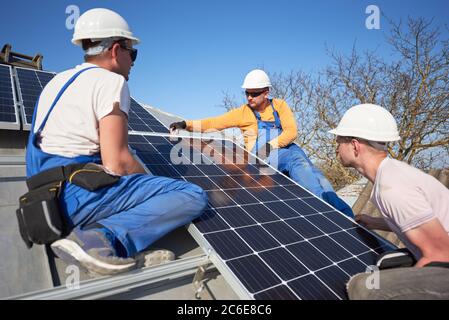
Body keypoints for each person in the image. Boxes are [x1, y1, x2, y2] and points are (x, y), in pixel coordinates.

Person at [25, 8, 208, 275]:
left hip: (42, 204)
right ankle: (99, 239)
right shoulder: (111, 81)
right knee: (192, 195)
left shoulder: (55, 82)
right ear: (115, 50)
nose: (133, 61)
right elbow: (118, 163)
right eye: (132, 53)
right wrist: (148, 183)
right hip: (75, 200)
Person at [170, 69, 353, 217]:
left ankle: (350, 220)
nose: (249, 97)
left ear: (266, 93)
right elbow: (214, 123)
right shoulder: (242, 112)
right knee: (298, 162)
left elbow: (291, 132)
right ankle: (323, 209)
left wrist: (272, 144)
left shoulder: (279, 106)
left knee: (320, 179)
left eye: (254, 93)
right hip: (260, 159)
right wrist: (185, 124)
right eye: (247, 93)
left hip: (283, 151)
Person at [329, 103, 449, 299]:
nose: (336, 148)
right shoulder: (392, 174)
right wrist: (375, 222)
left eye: (339, 141)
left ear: (354, 146)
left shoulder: (392, 187)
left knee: (364, 286)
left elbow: (441, 255)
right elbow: (417, 221)